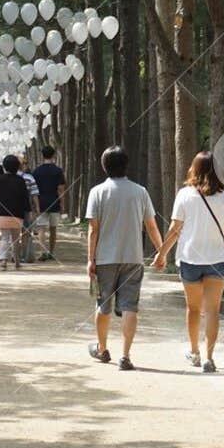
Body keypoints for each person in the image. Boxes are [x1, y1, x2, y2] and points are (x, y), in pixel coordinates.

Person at [153, 151, 224, 374]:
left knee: (193, 308)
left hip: (189, 258)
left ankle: (194, 351)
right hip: (218, 259)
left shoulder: (184, 194)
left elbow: (175, 229)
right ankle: (209, 357)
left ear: (194, 169)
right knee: (212, 311)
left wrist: (161, 254)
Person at [85, 145, 164, 370]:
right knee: (130, 306)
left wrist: (90, 259)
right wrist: (161, 252)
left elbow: (93, 229)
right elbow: (151, 225)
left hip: (104, 258)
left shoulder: (97, 192)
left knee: (103, 305)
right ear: (126, 165)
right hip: (133, 257)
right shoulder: (140, 191)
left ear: (104, 166)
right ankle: (125, 356)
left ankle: (102, 348)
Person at [0, 154, 32, 270]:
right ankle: (17, 261)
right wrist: (28, 211)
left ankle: (3, 261)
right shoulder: (20, 181)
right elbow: (25, 197)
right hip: (17, 213)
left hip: (1, 212)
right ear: (17, 166)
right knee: (16, 239)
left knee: (4, 237)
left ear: (4, 166)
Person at [32, 145, 66, 260]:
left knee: (41, 228)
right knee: (53, 229)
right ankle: (51, 252)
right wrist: (62, 203)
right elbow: (61, 189)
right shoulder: (58, 171)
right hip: (54, 202)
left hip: (41, 203)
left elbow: (34, 190)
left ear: (42, 155)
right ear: (53, 155)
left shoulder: (36, 171)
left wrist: (35, 205)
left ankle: (43, 252)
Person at [20, 158, 40, 262]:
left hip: (11, 209)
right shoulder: (29, 178)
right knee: (25, 232)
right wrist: (37, 208)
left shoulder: (8, 176)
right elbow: (34, 194)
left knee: (12, 233)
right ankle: (24, 255)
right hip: (26, 209)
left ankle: (14, 255)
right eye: (25, 164)